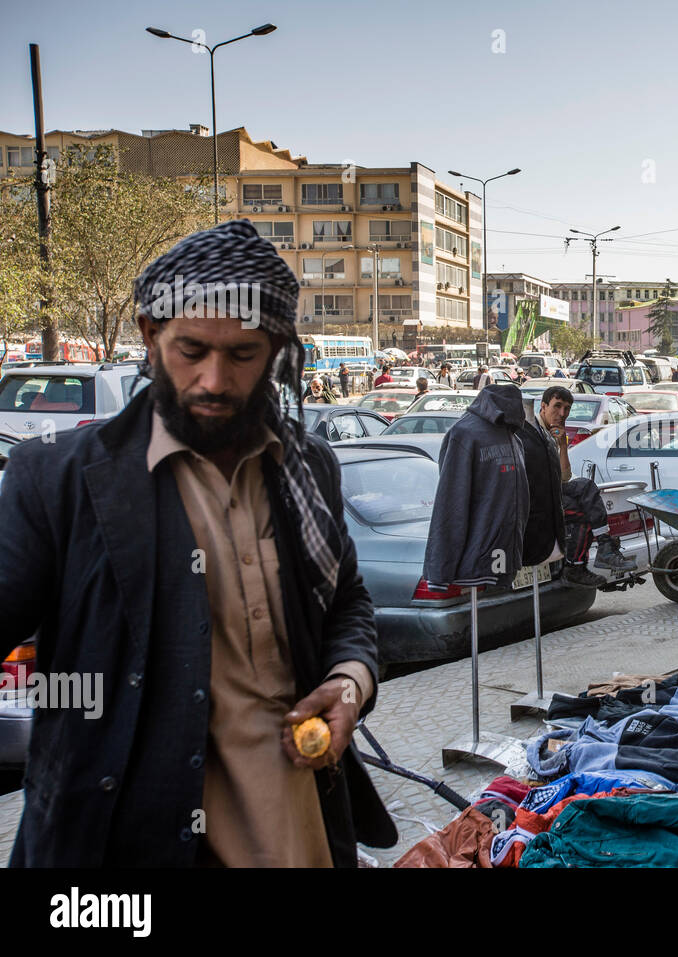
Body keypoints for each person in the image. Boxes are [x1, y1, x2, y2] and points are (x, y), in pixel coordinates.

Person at [0, 219, 394, 866]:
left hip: (298, 834)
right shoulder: (58, 480)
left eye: (241, 355)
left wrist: (349, 683)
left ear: (276, 350)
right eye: (191, 350)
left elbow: (347, 602)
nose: (213, 380)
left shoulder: (307, 468)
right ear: (151, 337)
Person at [534, 386, 636, 583]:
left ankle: (599, 550)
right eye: (557, 407)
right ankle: (579, 564)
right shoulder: (534, 432)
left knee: (587, 486)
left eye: (566, 409)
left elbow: (564, 477)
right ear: (543, 406)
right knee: (585, 512)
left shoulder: (555, 433)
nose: (562, 414)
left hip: (553, 488)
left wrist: (563, 445)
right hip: (539, 497)